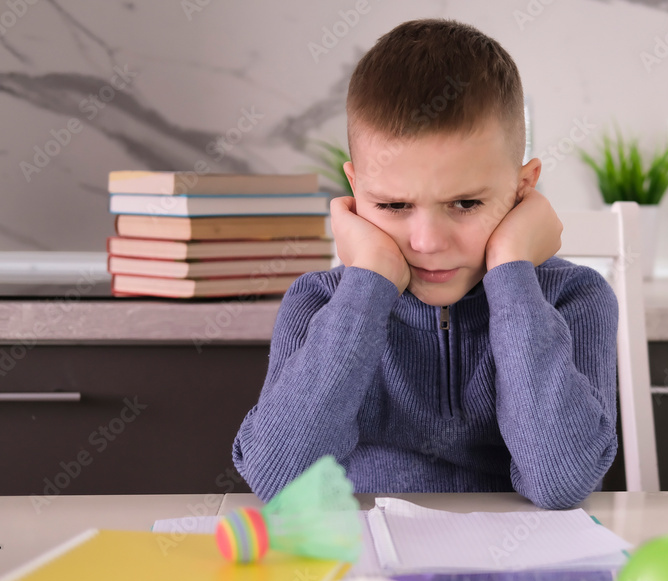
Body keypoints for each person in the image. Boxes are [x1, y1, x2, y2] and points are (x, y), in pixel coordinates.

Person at [232, 18, 618, 509]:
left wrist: (512, 274)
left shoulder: (574, 298)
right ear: (356, 191)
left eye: (466, 204)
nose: (428, 241)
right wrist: (366, 286)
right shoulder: (321, 303)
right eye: (394, 206)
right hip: (366, 570)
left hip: (517, 569)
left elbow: (560, 482)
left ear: (524, 188)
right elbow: (279, 482)